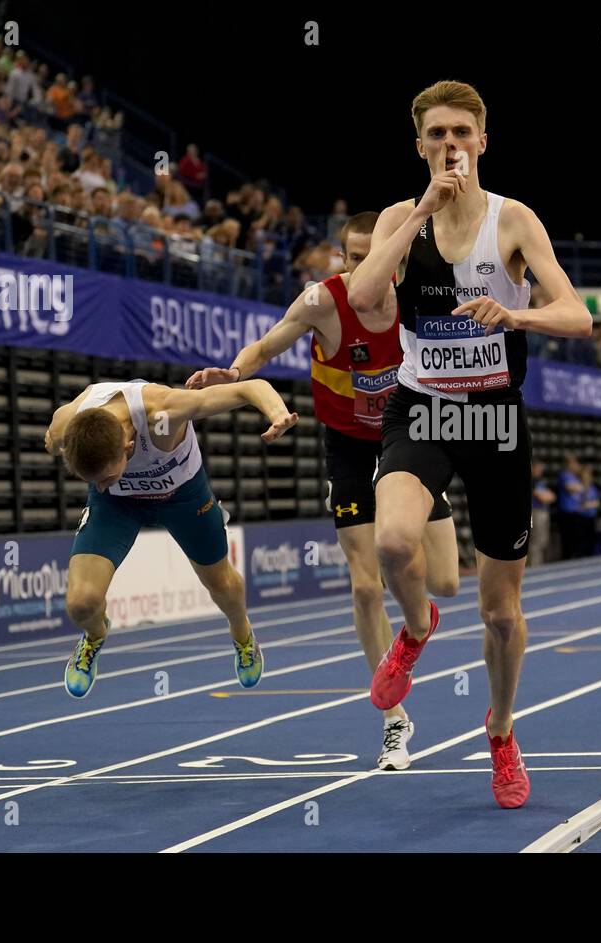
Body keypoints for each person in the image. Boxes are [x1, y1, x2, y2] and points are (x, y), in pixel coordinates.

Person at [346, 80, 593, 808]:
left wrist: (516, 319)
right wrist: (421, 207)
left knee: (500, 613)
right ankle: (416, 631)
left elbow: (577, 315)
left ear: (483, 140)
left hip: (493, 420)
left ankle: (502, 731)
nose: (449, 145)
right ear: (420, 145)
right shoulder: (401, 215)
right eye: (435, 135)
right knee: (391, 541)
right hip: (422, 407)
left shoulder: (513, 221)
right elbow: (362, 296)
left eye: (461, 132)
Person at [186, 211, 459, 771]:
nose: (364, 267)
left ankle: (418, 618)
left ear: (398, 253)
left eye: (374, 255)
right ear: (342, 259)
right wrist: (232, 376)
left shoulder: (420, 297)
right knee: (364, 587)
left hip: (410, 436)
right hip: (350, 448)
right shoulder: (321, 303)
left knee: (448, 582)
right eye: (353, 258)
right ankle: (394, 721)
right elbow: (266, 346)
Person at [44, 377, 297, 698]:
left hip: (183, 497)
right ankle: (95, 635)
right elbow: (51, 439)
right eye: (94, 481)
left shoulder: (164, 411)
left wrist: (277, 414)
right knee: (81, 604)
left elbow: (248, 388)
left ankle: (242, 634)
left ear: (128, 446)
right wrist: (66, 454)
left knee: (223, 586)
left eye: (106, 476)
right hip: (118, 504)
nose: (102, 483)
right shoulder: (68, 424)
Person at [529, 460, 556, 566]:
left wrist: (546, 496)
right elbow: (542, 497)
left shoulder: (540, 481)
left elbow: (553, 496)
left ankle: (538, 563)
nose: (541, 471)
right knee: (535, 541)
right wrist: (546, 496)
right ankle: (534, 565)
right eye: (538, 468)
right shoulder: (531, 481)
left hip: (543, 512)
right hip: (535, 512)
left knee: (542, 541)